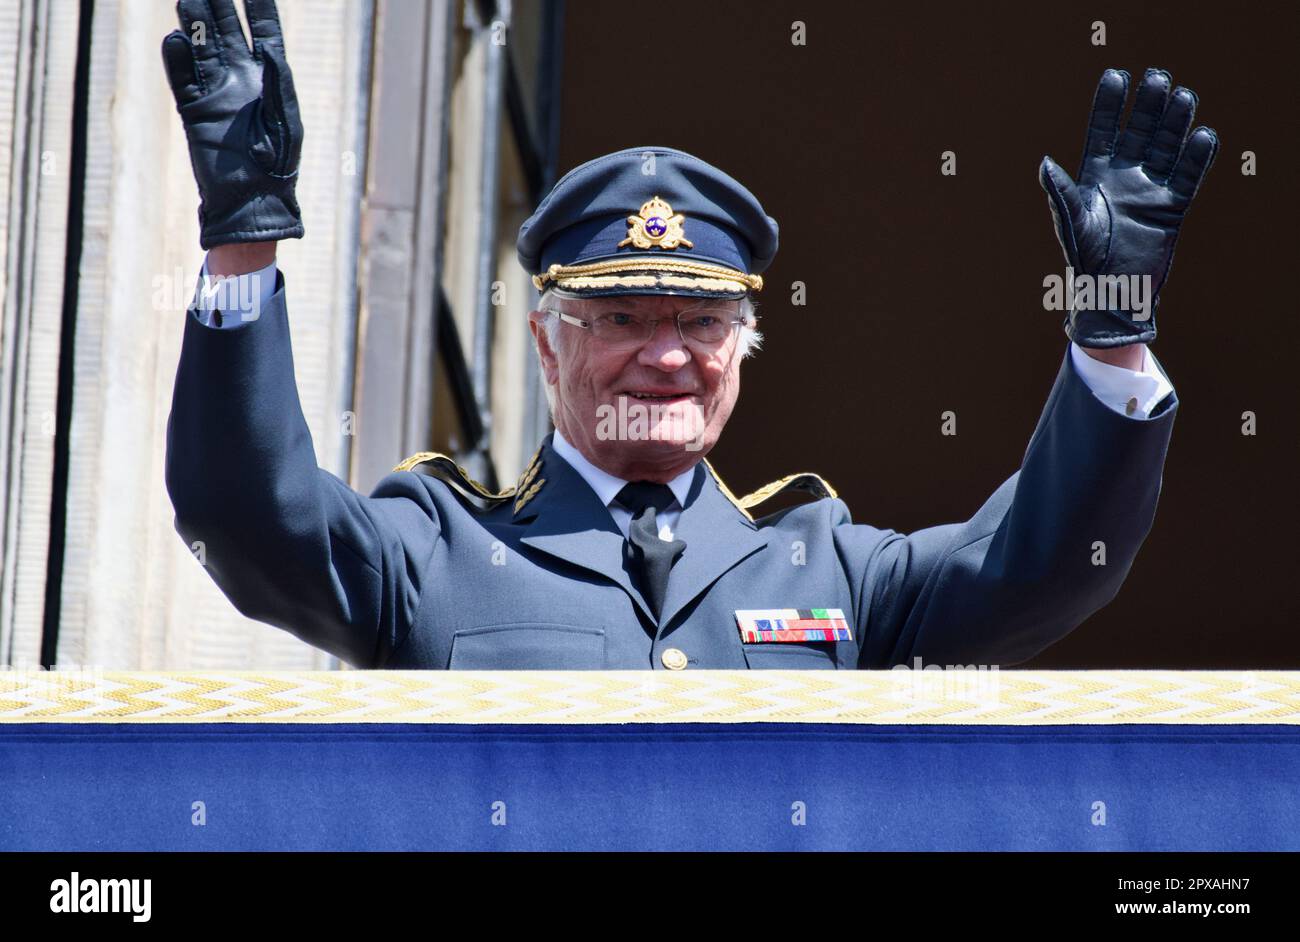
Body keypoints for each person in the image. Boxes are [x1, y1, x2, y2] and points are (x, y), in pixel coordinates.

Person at [161, 0, 1217, 670]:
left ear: (743, 353)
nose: (666, 356)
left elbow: (1045, 568)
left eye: (703, 323)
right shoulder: (431, 551)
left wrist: (1112, 332)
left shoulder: (835, 577)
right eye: (620, 317)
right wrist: (245, 245)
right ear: (545, 345)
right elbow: (247, 518)